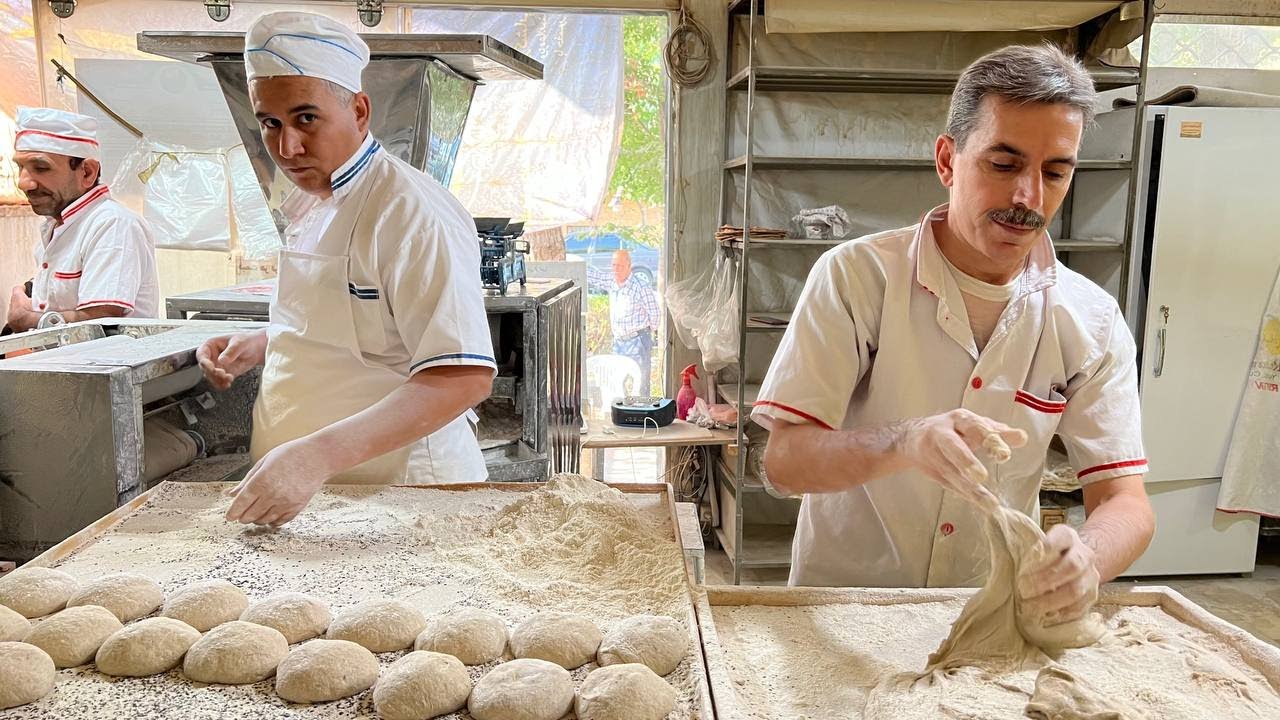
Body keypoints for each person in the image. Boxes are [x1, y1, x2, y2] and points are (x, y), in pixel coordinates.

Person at [754, 45, 1155, 628]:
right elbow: (785, 463)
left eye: (1055, 171)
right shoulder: (857, 279)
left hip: (987, 611)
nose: (1029, 198)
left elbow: (1125, 500)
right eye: (1004, 163)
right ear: (947, 160)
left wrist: (1087, 560)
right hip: (844, 606)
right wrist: (905, 442)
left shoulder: (1089, 319)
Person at [196, 12, 495, 526]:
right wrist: (270, 340)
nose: (286, 148)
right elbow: (355, 322)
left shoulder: (409, 212)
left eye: (306, 118)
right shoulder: (311, 199)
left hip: (401, 497)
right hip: (317, 496)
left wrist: (316, 456)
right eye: (270, 123)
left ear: (359, 110)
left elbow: (462, 377)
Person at [5, 107, 159, 333]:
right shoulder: (55, 226)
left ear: (87, 172)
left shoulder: (112, 224)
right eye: (21, 168)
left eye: (40, 168)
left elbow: (102, 321)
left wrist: (27, 320)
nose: (24, 183)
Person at [606, 249, 661, 396]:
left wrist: (649, 333)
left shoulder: (640, 286)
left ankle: (642, 416)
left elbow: (655, 313)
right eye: (614, 265)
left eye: (620, 266)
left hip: (638, 339)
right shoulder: (612, 282)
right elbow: (592, 276)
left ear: (629, 267)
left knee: (641, 383)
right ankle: (623, 414)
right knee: (617, 381)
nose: (616, 269)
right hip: (619, 341)